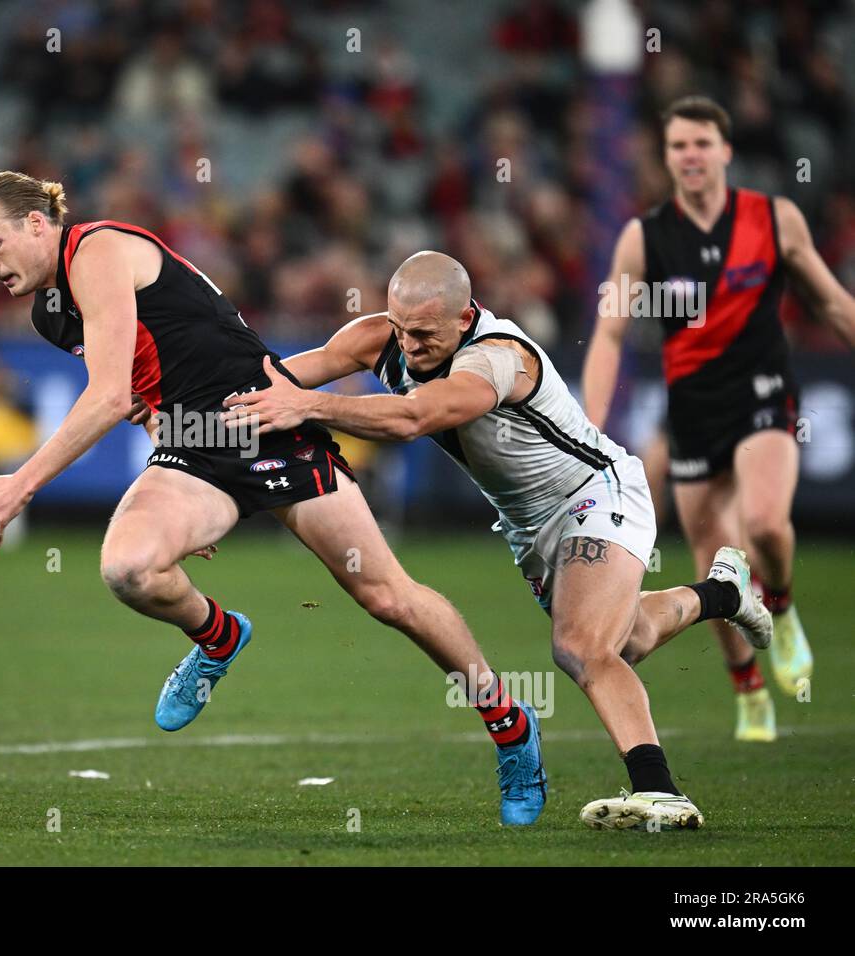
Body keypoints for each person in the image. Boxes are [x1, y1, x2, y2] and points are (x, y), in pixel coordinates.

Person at [0, 171, 547, 826]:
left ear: (37, 224)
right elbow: (136, 385)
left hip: (265, 415)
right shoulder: (49, 313)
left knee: (386, 596)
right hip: (195, 443)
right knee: (129, 569)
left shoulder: (94, 251)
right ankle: (217, 636)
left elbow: (103, 397)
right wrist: (173, 460)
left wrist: (23, 481)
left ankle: (509, 723)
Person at [222, 251, 772, 831]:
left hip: (594, 492)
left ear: (465, 318)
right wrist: (181, 398)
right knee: (624, 640)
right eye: (401, 328)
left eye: (425, 334)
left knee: (582, 647)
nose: (408, 346)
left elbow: (414, 417)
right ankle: (722, 594)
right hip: (526, 524)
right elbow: (273, 378)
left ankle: (660, 792)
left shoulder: (497, 358)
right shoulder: (378, 336)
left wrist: (308, 406)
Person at [582, 96, 855, 741]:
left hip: (762, 394)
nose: (690, 156)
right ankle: (749, 690)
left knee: (763, 523)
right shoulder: (644, 237)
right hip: (693, 410)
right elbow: (610, 334)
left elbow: (833, 304)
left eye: (702, 143)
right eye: (678, 145)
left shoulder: (774, 218)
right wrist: (590, 428)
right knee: (718, 568)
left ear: (726, 150)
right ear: (668, 157)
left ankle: (782, 610)